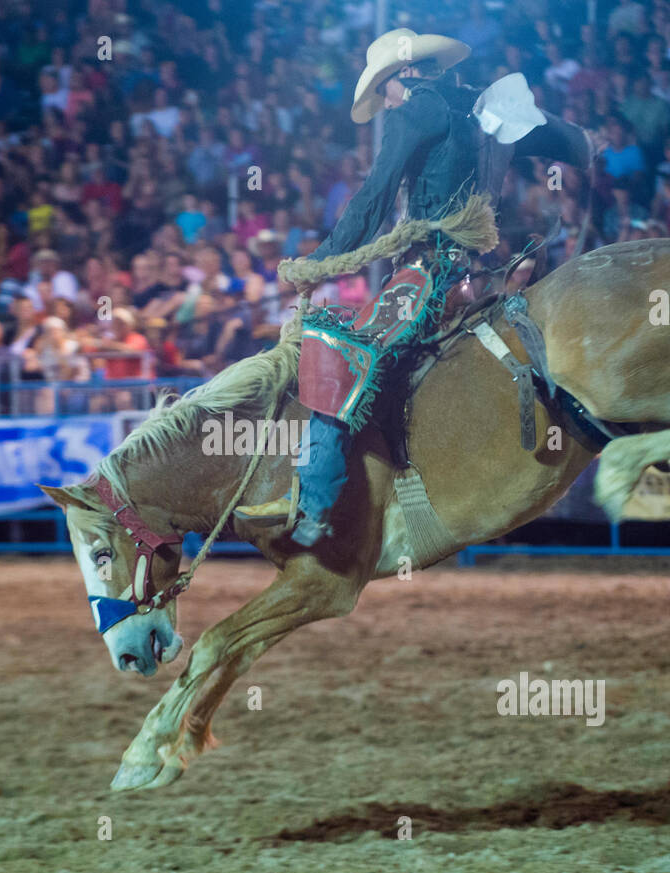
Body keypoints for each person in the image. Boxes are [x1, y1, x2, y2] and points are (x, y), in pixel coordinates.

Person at [237, 28, 592, 546]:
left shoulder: (416, 111)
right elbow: (560, 139)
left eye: (382, 89)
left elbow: (374, 197)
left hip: (430, 275)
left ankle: (312, 504)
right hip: (474, 272)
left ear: (401, 75)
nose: (383, 101)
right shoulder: (476, 104)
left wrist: (317, 263)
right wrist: (585, 145)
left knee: (340, 351)